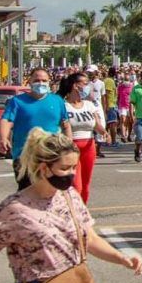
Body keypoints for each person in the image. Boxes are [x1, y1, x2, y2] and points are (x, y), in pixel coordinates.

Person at [0, 128, 142, 283]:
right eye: (64, 168)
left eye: (74, 168)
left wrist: (121, 258)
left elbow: (90, 239)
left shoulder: (70, 198)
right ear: (44, 168)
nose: (71, 174)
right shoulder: (14, 209)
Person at [0, 68, 71, 191]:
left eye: (44, 80)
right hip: (24, 156)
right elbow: (6, 120)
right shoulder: (17, 101)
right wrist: (3, 138)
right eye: (37, 80)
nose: (41, 83)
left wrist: (69, 145)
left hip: (51, 154)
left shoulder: (57, 100)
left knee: (51, 190)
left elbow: (66, 124)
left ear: (49, 82)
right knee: (27, 191)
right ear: (30, 82)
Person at [58, 72, 106, 204]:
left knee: (85, 184)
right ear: (75, 86)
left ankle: (82, 211)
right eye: (85, 84)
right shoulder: (63, 105)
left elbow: (97, 125)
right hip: (71, 147)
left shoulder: (89, 105)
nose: (88, 86)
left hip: (89, 146)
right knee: (76, 184)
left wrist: (104, 132)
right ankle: (72, 209)